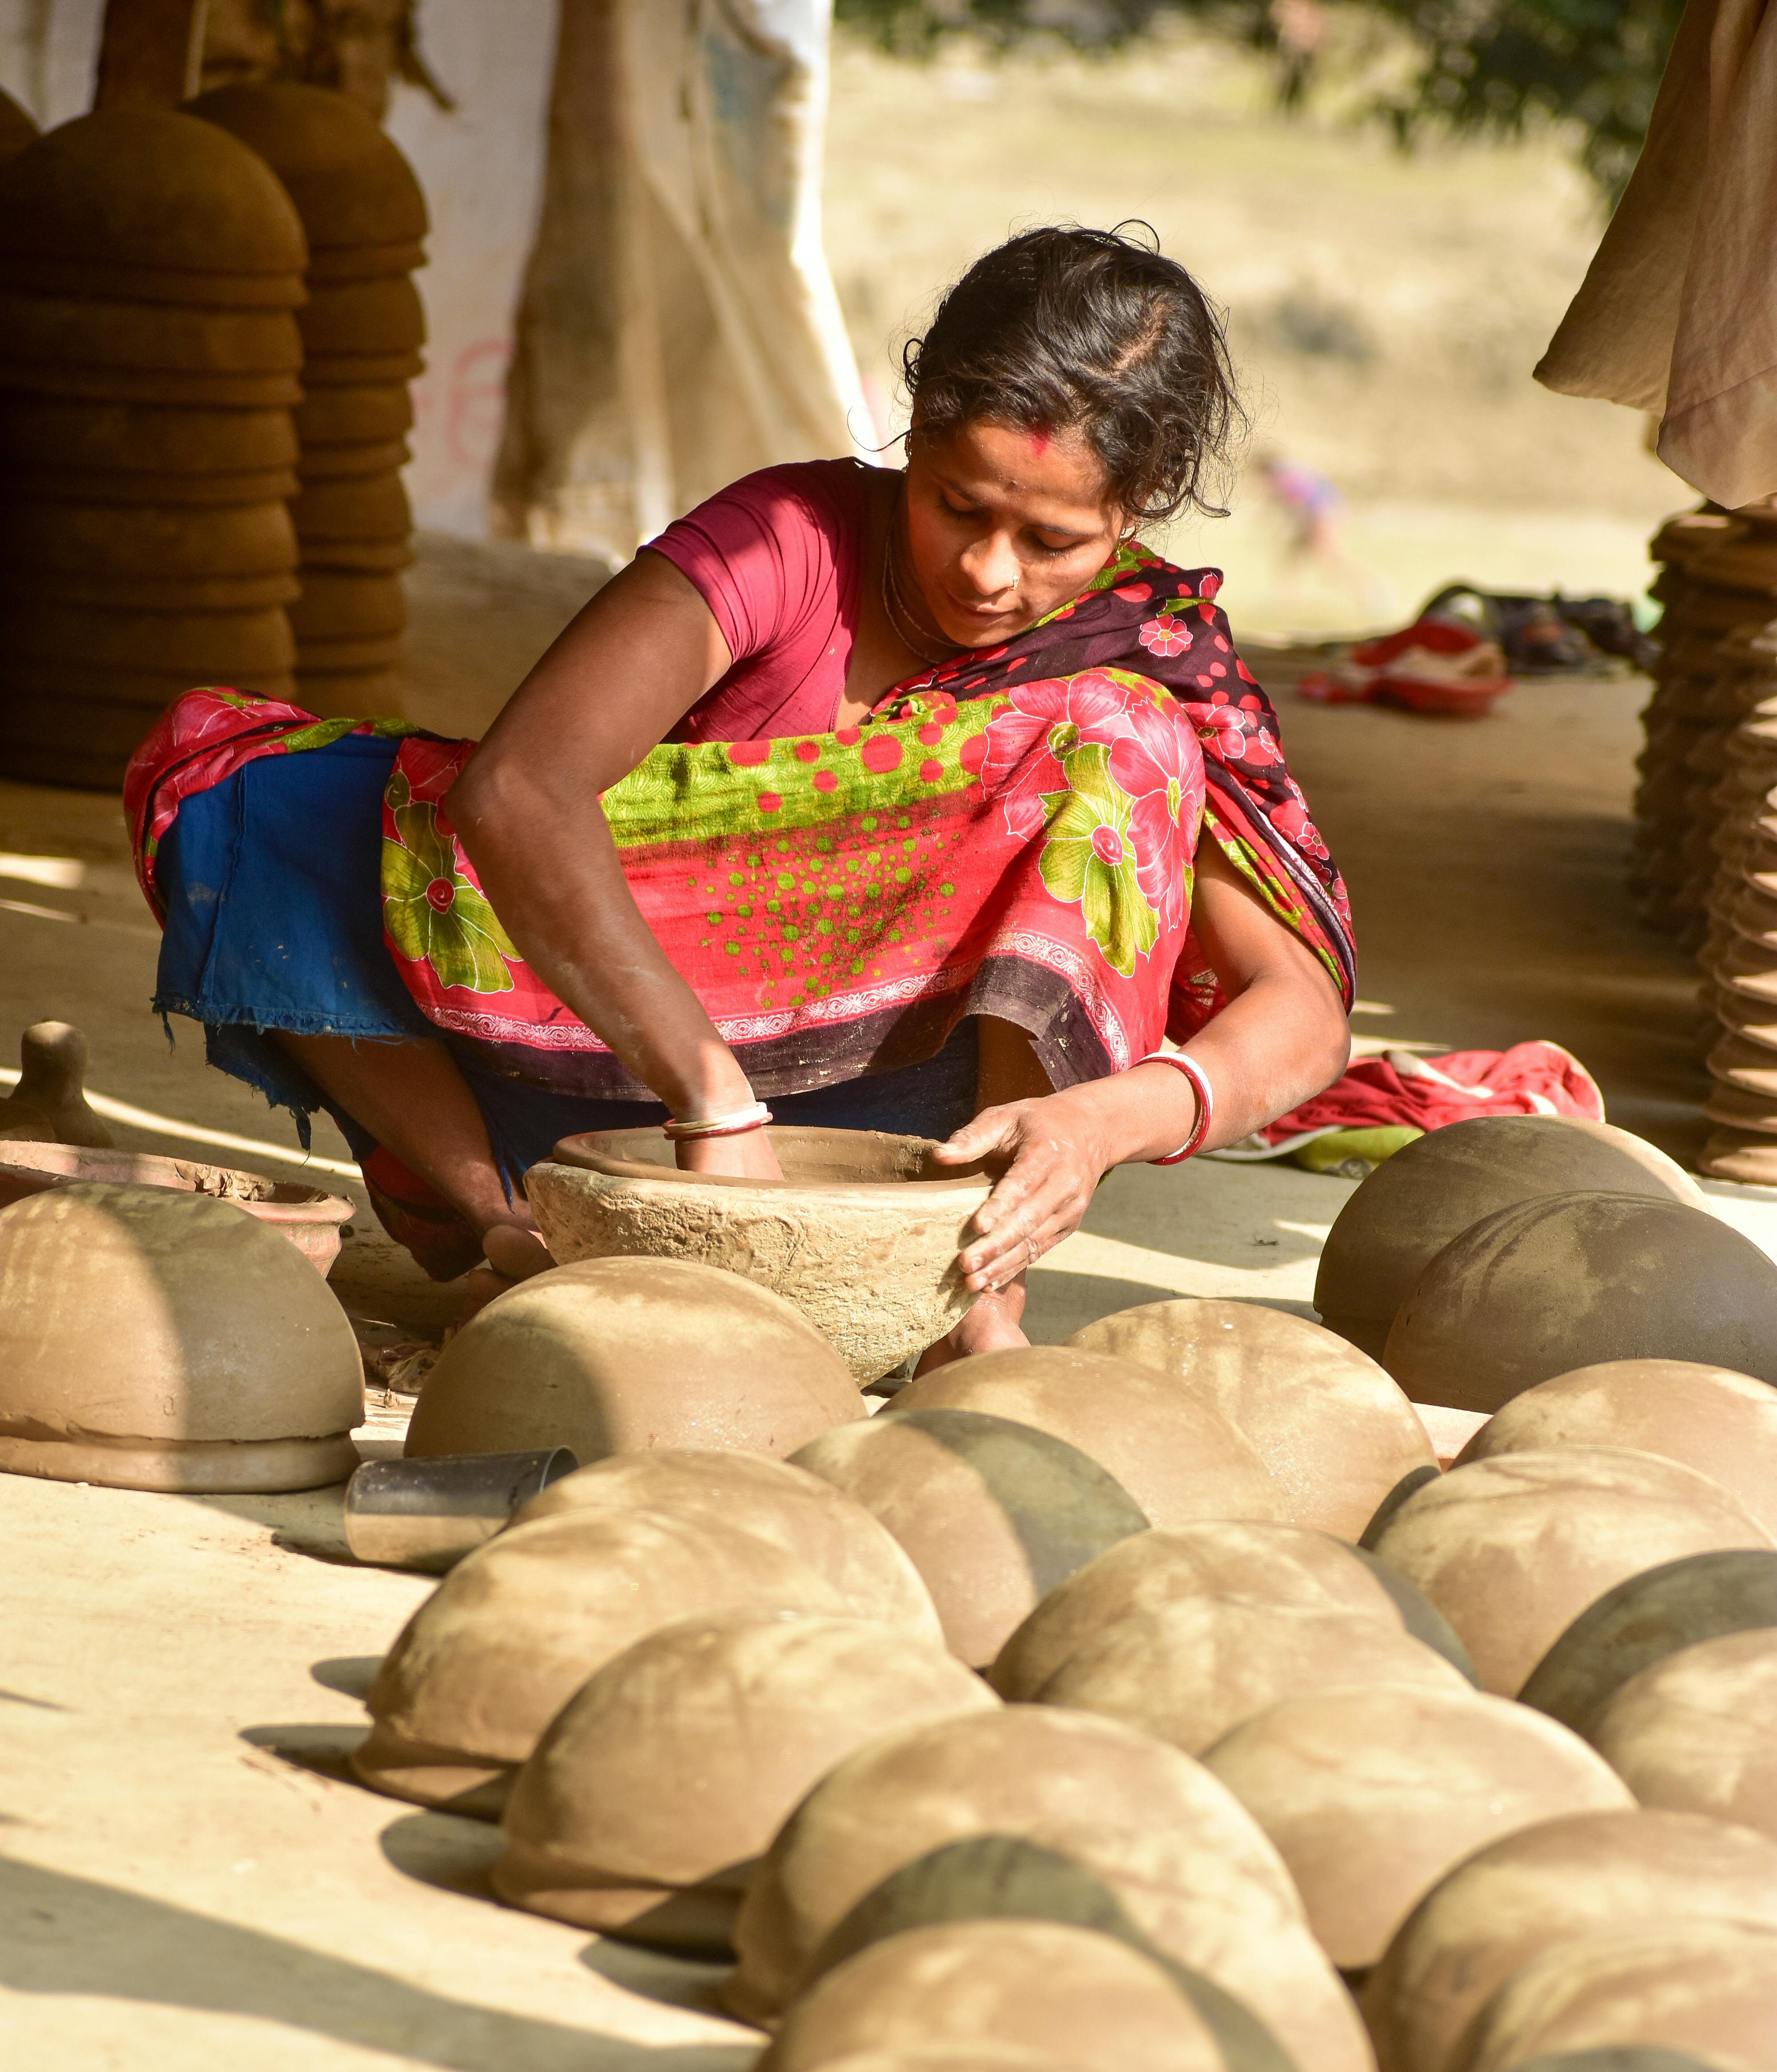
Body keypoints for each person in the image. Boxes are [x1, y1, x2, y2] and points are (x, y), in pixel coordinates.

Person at [135, 225, 1354, 1354]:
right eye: (956, 508)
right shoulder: (789, 538)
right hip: (613, 1080)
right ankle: (509, 1224)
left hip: (921, 1137)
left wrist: (1101, 1124)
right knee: (232, 787)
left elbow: (1299, 1011)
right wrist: (709, 1097)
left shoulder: (1144, 647)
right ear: (916, 429)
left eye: (1053, 543)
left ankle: (975, 1303)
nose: (989, 572)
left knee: (1125, 740)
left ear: (1134, 512)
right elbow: (520, 789)